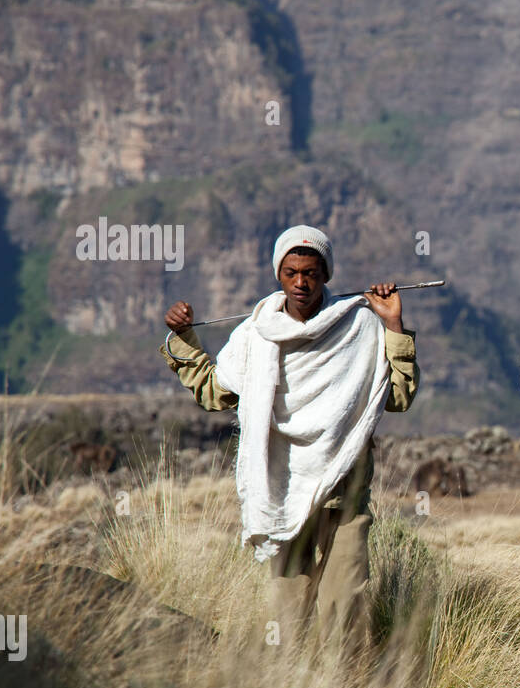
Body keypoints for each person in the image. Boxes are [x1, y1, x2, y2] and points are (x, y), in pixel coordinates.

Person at [159, 224, 419, 656]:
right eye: (292, 272)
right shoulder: (256, 334)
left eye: (312, 273)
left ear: (326, 275)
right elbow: (213, 392)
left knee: (346, 607)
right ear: (279, 274)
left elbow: (397, 397)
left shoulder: (358, 328)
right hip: (282, 490)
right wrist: (185, 338)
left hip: (343, 491)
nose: (302, 282)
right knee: (287, 614)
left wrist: (393, 324)